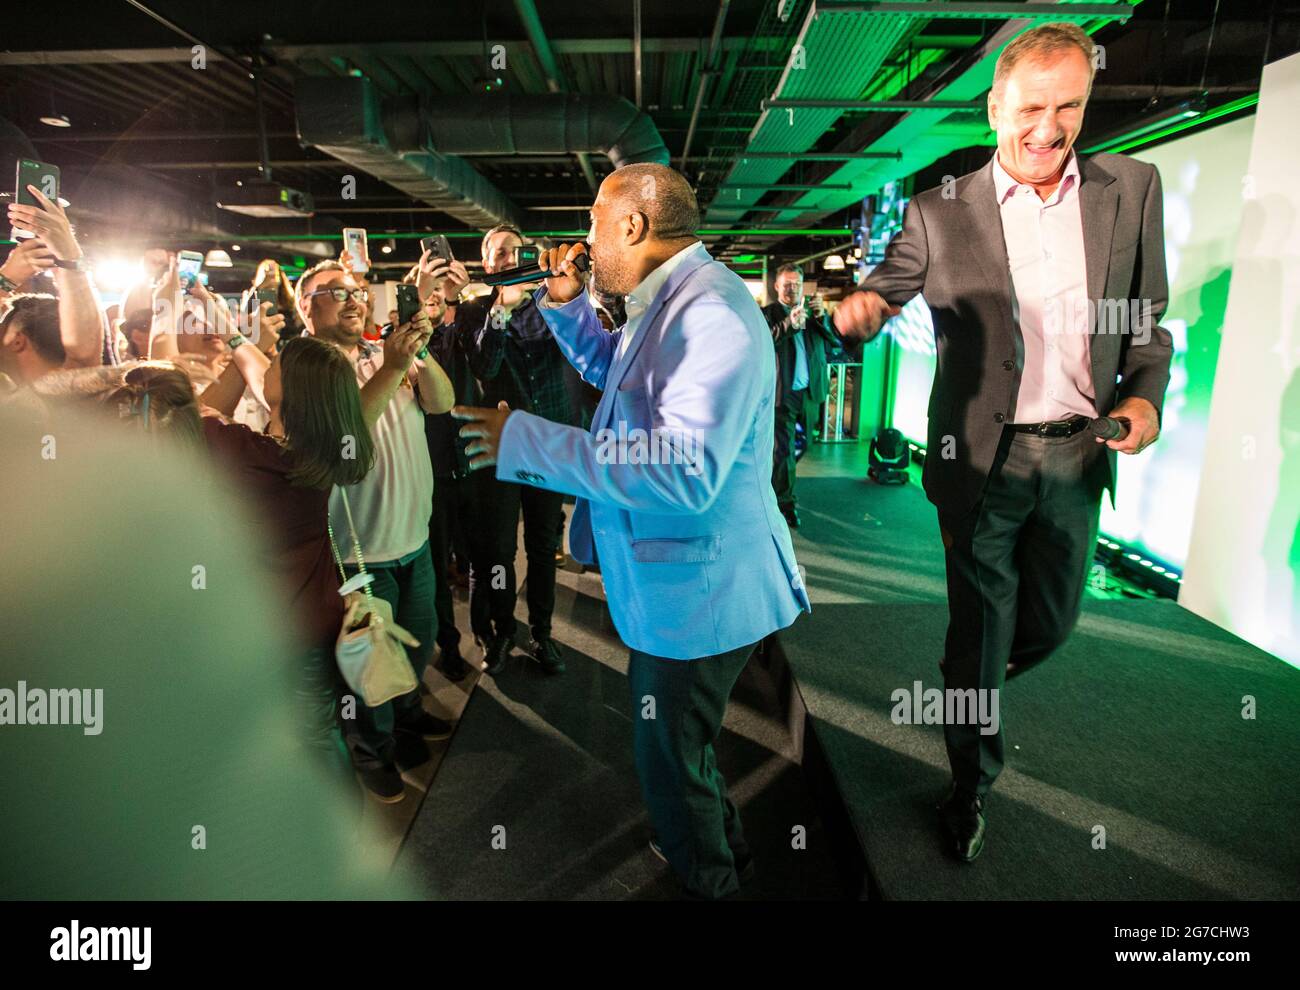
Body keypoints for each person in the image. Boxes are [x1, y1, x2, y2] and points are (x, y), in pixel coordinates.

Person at [833, 22, 1174, 863]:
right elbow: (885, 289)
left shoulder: (1132, 187)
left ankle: (966, 680)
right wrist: (863, 313)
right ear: (994, 108)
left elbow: (1148, 324)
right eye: (1031, 108)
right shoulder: (937, 212)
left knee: (1050, 626)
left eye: (1070, 108)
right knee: (984, 629)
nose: (1049, 129)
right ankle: (968, 780)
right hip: (979, 462)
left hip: (1079, 454)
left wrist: (1145, 397)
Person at [452, 163, 810, 899]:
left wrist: (524, 441)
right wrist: (564, 305)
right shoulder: (669, 298)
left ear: (633, 226)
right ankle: (726, 860)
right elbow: (623, 382)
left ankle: (709, 880)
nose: (583, 240)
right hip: (683, 583)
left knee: (669, 762)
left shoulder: (709, 315)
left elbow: (682, 471)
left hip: (701, 596)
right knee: (685, 752)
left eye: (592, 222)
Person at [294, 259, 457, 803]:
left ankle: (407, 720)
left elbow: (443, 403)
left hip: (414, 537)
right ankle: (373, 753)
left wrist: (420, 354)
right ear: (305, 307)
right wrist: (392, 368)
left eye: (357, 290)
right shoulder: (307, 368)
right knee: (368, 664)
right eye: (333, 291)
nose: (352, 298)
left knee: (417, 643)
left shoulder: (377, 353)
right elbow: (348, 435)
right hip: (359, 552)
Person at [201, 335, 375, 792]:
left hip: (260, 628)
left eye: (275, 361)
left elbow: (194, 414)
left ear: (291, 388)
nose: (266, 367)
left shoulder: (244, 452)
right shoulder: (325, 452)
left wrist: (238, 361)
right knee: (321, 731)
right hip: (316, 621)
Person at [463, 224, 577, 677]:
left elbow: (578, 354)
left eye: (517, 251)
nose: (511, 259)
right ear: (487, 262)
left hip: (548, 445)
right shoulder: (475, 310)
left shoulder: (552, 300)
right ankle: (502, 628)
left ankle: (543, 632)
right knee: (500, 549)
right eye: (501, 253)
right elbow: (484, 365)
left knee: (544, 543)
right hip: (502, 446)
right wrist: (500, 312)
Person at [762, 263, 839, 529]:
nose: (791, 289)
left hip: (810, 392)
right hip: (783, 393)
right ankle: (784, 505)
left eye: (796, 284)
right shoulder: (768, 314)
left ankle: (774, 482)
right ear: (777, 286)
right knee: (783, 451)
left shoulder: (812, 314)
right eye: (787, 284)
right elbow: (764, 340)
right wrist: (789, 324)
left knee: (802, 445)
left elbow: (834, 342)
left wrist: (822, 319)